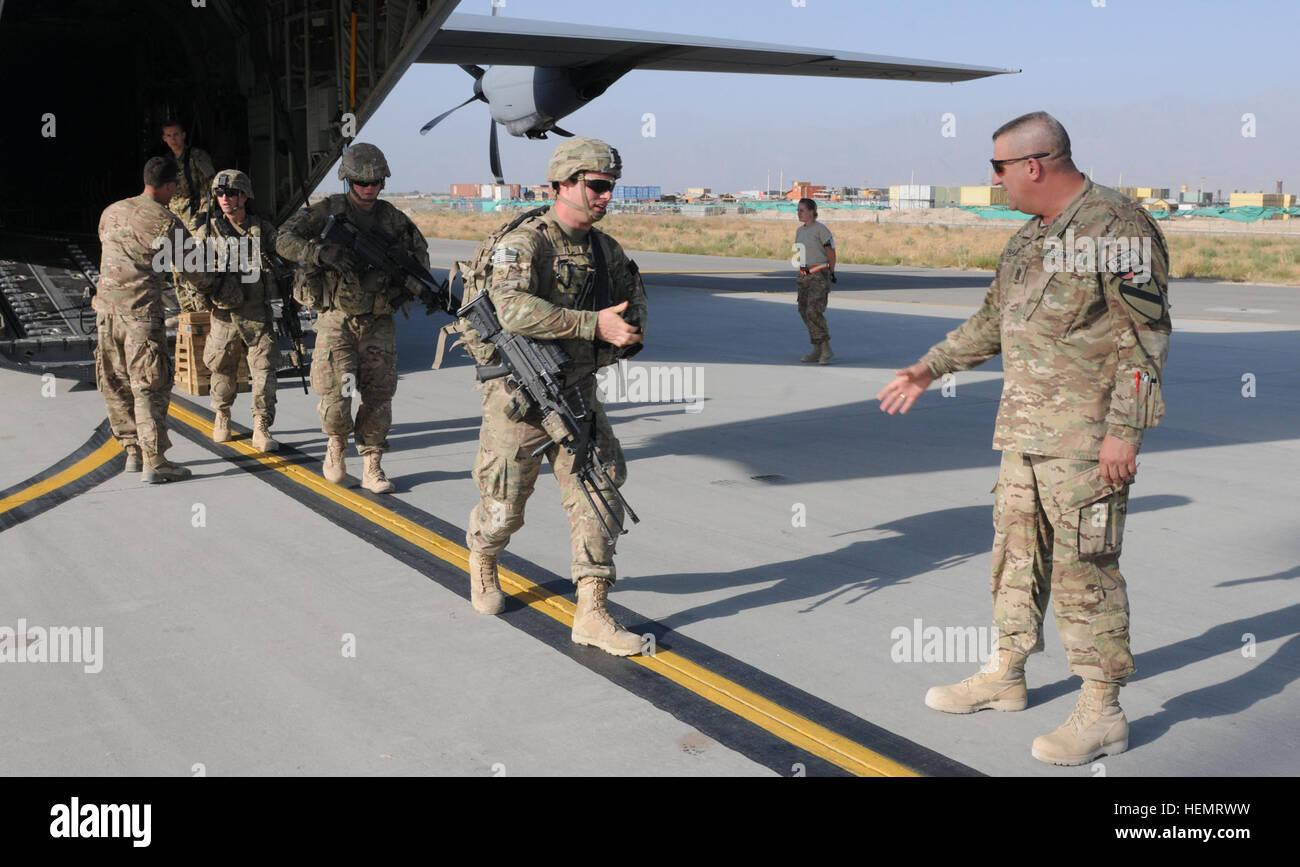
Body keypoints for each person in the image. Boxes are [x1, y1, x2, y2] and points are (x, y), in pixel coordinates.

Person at [875, 111, 1171, 766]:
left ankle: (1103, 707)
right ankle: (1006, 673)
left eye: (999, 168)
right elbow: (990, 323)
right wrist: (930, 367)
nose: (994, 180)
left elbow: (1145, 337)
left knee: (1084, 568)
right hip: (1024, 433)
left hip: (1089, 442)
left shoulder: (1116, 227)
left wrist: (1125, 430)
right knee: (1015, 555)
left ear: (1034, 165)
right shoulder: (1028, 242)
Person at [463, 137, 648, 656]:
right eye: (597, 185)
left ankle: (591, 609)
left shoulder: (606, 251)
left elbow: (632, 307)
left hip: (577, 396)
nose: (607, 196)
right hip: (518, 402)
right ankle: (482, 556)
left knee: (601, 491)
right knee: (504, 509)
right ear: (563, 184)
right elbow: (510, 309)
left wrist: (629, 334)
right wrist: (594, 325)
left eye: (611, 186)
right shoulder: (525, 243)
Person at [276, 142, 428, 494]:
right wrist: (318, 252)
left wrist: (405, 285)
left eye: (375, 182)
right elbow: (284, 239)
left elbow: (418, 257)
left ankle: (373, 463)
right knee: (338, 391)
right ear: (348, 181)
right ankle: (336, 445)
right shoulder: (329, 211)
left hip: (378, 323)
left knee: (378, 394)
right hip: (338, 320)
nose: (369, 188)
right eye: (362, 182)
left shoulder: (393, 219)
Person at [94, 155, 218, 483]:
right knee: (149, 387)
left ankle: (132, 452)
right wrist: (216, 286)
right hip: (140, 316)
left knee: (115, 383)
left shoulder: (112, 211)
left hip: (106, 313)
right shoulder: (166, 222)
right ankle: (155, 461)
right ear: (168, 186)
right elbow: (194, 271)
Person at [186, 169, 281, 452]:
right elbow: (190, 267)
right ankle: (222, 414)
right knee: (222, 368)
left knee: (264, 371)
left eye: (230, 193)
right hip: (224, 313)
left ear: (244, 196)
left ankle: (261, 425)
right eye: (220, 193)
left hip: (256, 313)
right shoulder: (206, 230)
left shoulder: (261, 228)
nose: (225, 199)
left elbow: (283, 250)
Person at [161, 119, 217, 312]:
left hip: (194, 220)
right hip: (173, 219)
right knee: (177, 268)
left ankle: (203, 310)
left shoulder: (197, 157)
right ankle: (188, 312)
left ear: (183, 135)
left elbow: (211, 185)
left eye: (176, 134)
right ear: (164, 138)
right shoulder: (166, 163)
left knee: (196, 266)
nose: (173, 139)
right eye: (168, 136)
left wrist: (204, 213)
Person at [794, 197, 836, 364]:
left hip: (819, 274)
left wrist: (831, 272)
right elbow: (798, 252)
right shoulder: (799, 231)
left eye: (802, 210)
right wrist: (800, 269)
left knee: (814, 311)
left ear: (812, 212)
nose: (799, 213)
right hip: (804, 275)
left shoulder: (821, 230)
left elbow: (831, 252)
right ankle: (817, 348)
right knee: (803, 310)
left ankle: (826, 349)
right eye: (797, 210)